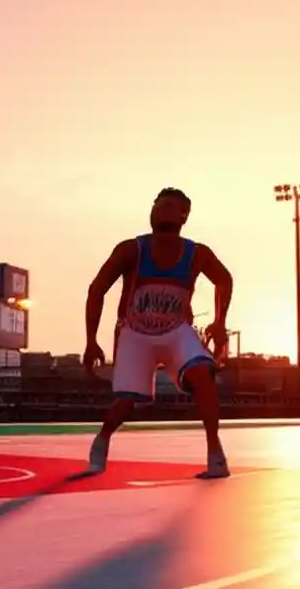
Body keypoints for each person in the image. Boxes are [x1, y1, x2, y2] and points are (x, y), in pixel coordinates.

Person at [80, 187, 234, 479]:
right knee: (126, 404)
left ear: (183, 215)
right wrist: (91, 340)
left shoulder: (197, 253)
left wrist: (219, 322)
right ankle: (102, 440)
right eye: (155, 206)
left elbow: (224, 280)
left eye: (166, 206)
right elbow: (96, 289)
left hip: (176, 331)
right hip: (136, 334)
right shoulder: (131, 249)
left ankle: (216, 454)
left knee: (203, 375)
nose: (157, 211)